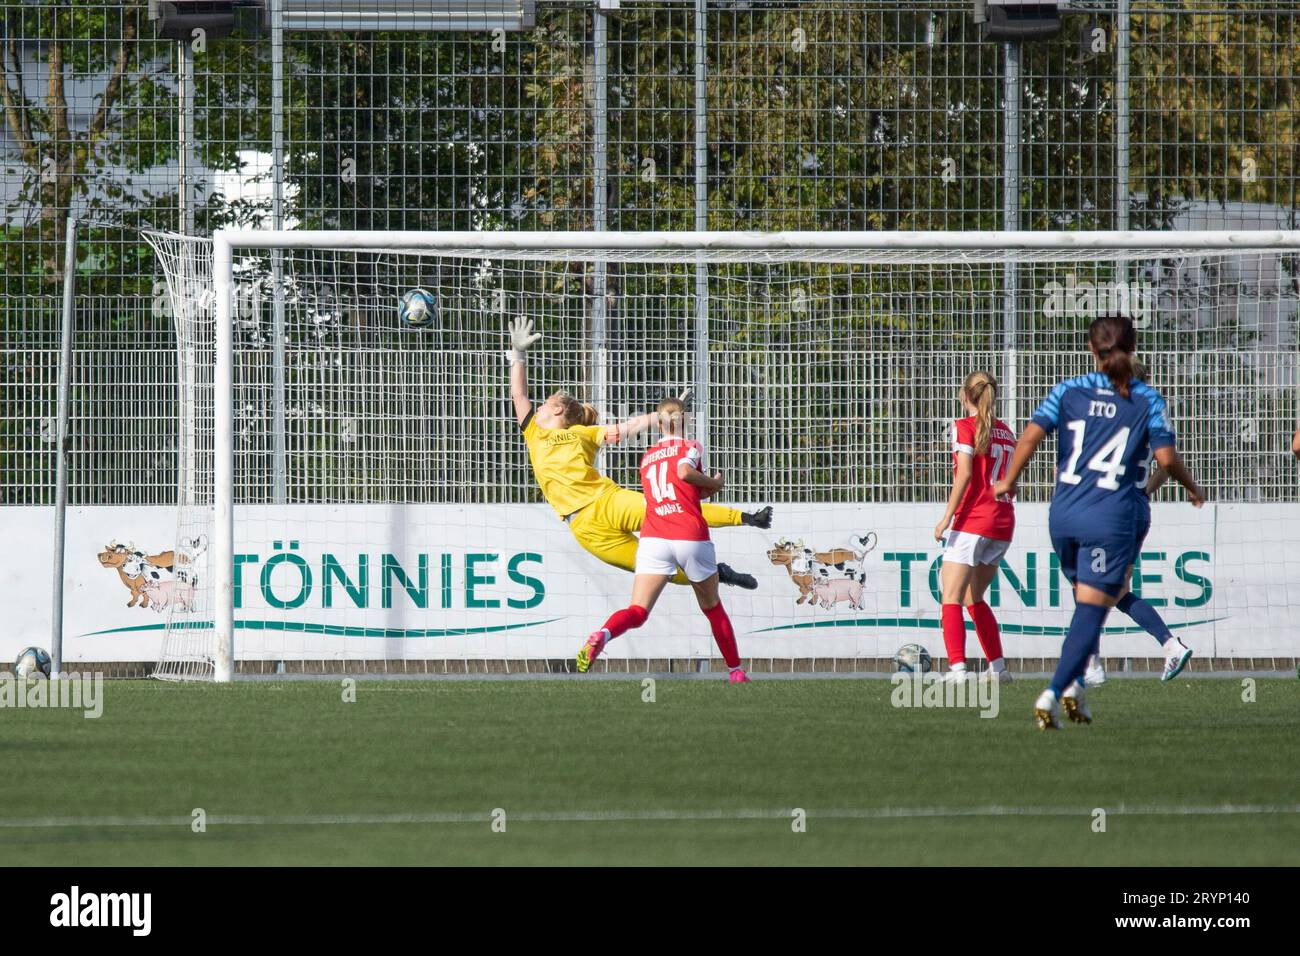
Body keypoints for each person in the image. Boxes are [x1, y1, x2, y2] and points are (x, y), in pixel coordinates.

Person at [994, 315, 1204, 730]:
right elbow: (1165, 460)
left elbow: (1030, 437)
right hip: (1111, 517)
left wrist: (1008, 480)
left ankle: (1078, 687)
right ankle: (1056, 689)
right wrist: (1192, 487)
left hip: (1064, 515)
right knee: (1093, 609)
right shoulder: (1147, 400)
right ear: (1134, 347)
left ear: (1091, 349)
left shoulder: (1068, 391)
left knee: (1086, 602)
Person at [507, 317, 772, 588]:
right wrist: (518, 353)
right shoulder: (534, 433)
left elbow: (626, 428)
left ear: (557, 410)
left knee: (676, 511)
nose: (537, 407)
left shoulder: (583, 434)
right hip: (584, 528)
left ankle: (748, 518)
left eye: (544, 404)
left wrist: (667, 411)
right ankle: (721, 573)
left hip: (607, 502)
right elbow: (518, 395)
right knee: (656, 571)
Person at [577, 397, 749, 683]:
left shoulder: (647, 458)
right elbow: (684, 473)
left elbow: (677, 490)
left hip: (654, 538)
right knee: (712, 606)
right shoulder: (691, 447)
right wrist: (716, 484)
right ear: (688, 421)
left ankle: (602, 634)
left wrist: (703, 487)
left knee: (637, 610)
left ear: (658, 425)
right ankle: (736, 672)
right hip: (688, 534)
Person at [1081, 359, 1193, 686]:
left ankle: (1092, 665)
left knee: (1089, 583)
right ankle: (1171, 645)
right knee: (1115, 589)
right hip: (1138, 508)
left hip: (1111, 509)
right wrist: (1145, 490)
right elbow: (1168, 463)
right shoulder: (1153, 415)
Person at [933, 371, 1016, 683]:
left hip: (974, 520)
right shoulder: (1006, 431)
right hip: (1002, 523)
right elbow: (1011, 479)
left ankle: (957, 669)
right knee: (974, 597)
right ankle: (998, 669)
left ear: (965, 395)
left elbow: (964, 474)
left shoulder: (964, 426)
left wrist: (946, 518)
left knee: (951, 597)